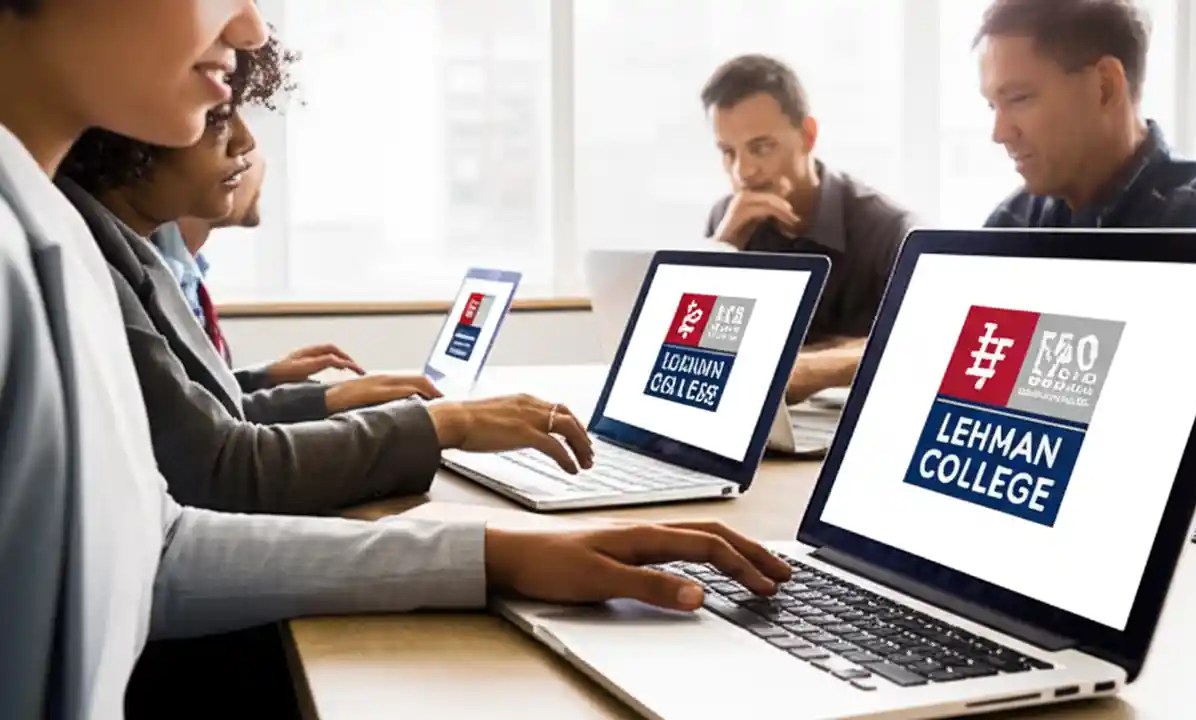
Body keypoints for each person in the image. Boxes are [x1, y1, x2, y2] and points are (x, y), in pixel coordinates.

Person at [0, 4, 790, 719]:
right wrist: (455, 476)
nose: (250, 30)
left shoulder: (59, 233)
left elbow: (157, 550)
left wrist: (496, 554)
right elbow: (201, 491)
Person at [53, 46, 492, 515]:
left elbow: (206, 416)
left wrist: (334, 398)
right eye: (218, 118)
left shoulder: (127, 250)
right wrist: (447, 424)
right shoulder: (93, 262)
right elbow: (218, 466)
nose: (245, 142)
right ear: (128, 132)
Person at [974, 0, 1196, 457]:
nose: (999, 132)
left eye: (1019, 99)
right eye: (992, 105)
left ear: (1104, 86)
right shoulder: (1012, 222)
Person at [701, 54, 914, 402]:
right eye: (728, 152)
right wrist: (725, 243)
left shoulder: (888, 228)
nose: (743, 171)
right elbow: (694, 354)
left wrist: (807, 367)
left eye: (761, 147)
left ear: (807, 135)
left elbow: (918, 344)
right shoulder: (727, 220)